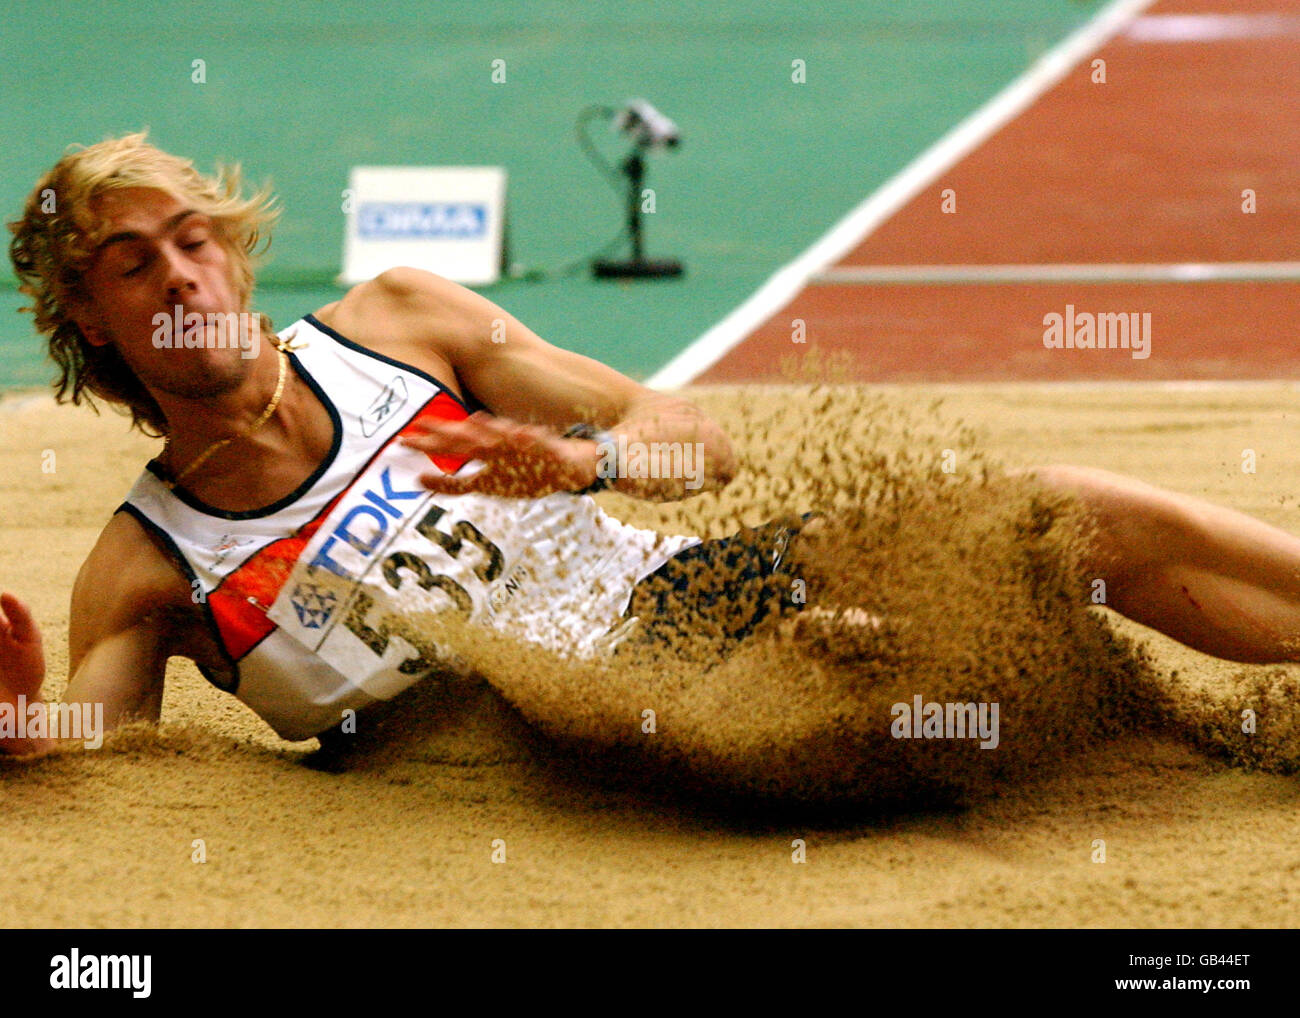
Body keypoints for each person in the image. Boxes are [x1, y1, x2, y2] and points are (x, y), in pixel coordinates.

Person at [5, 131, 1300, 757]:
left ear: (233, 242)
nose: (182, 274)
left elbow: (697, 440)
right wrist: (18, 733)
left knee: (1059, 515)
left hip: (683, 617)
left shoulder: (398, 322)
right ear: (89, 320)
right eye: (132, 264)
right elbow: (103, 752)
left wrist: (592, 465)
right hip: (516, 770)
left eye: (194, 235)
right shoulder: (146, 564)